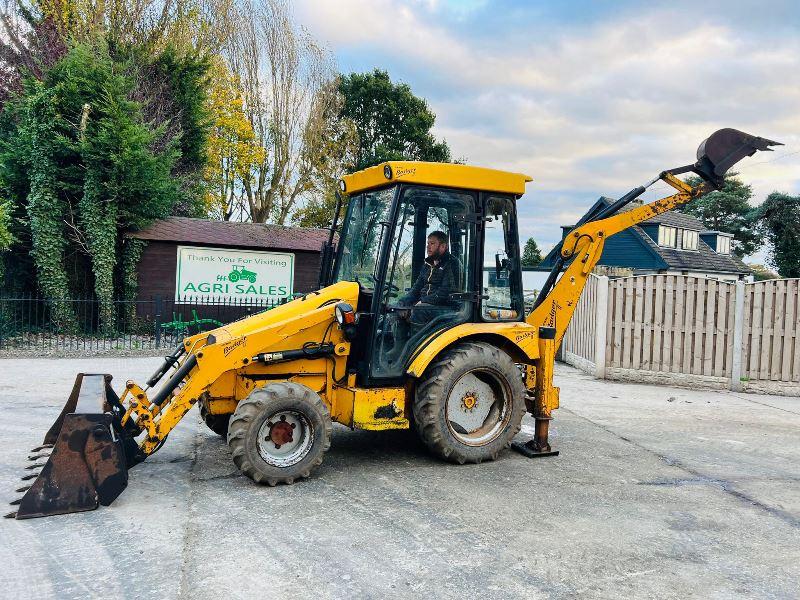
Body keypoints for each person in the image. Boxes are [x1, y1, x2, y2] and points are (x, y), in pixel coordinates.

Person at [398, 230, 459, 324]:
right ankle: (400, 339)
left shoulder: (451, 263)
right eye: (428, 243)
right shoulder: (427, 265)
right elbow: (416, 288)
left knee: (420, 310)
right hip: (426, 304)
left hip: (445, 307)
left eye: (432, 243)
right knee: (395, 309)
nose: (428, 247)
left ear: (443, 246)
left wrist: (421, 302)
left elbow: (445, 293)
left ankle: (417, 338)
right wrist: (403, 303)